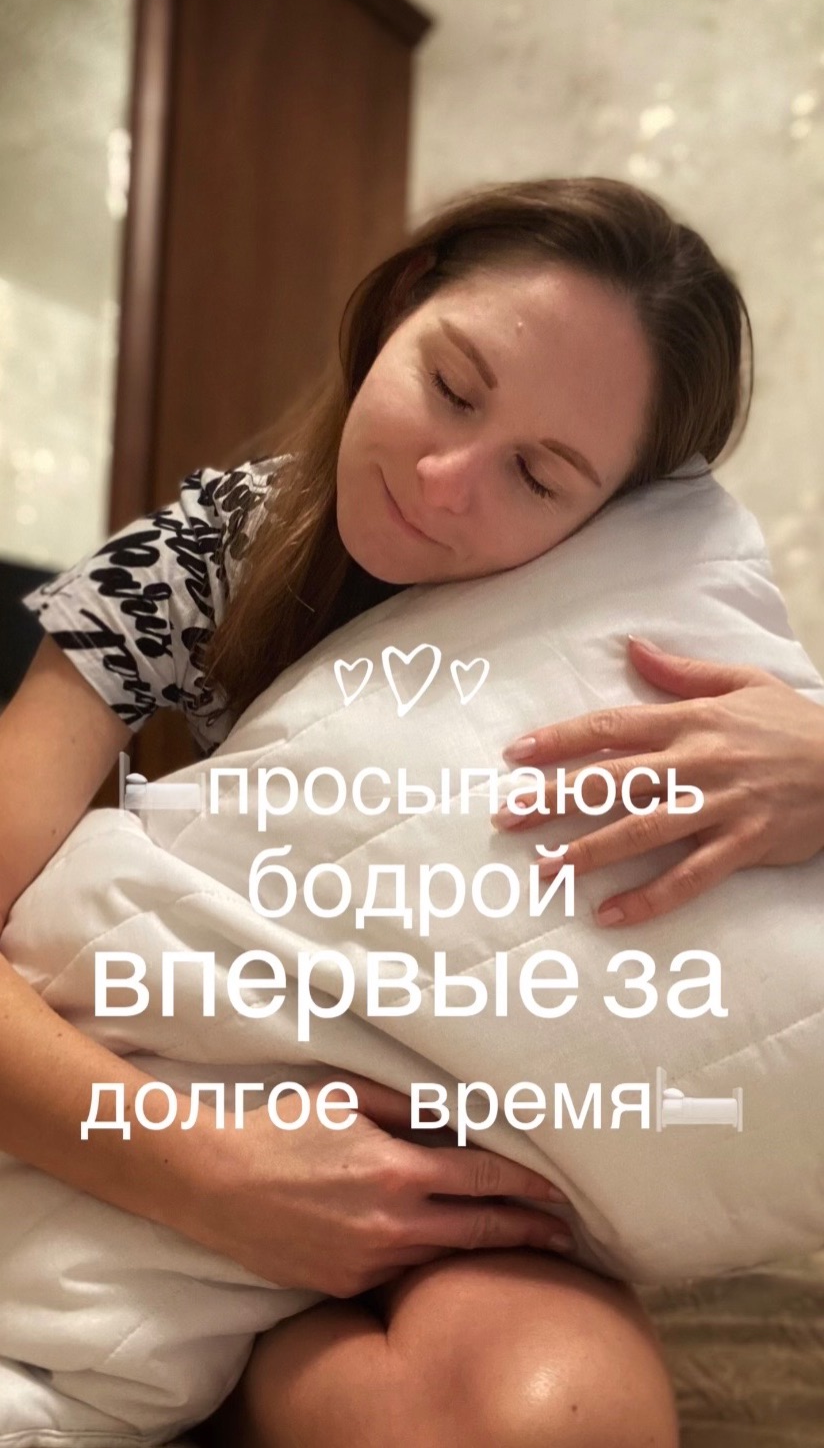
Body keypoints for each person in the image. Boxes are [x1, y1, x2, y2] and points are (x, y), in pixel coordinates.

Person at [2, 174, 823, 1448]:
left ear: (616, 513)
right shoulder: (193, 562)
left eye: (537, 476)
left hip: (457, 1194)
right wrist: (217, 1173)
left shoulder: (629, 627)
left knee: (559, 1413)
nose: (444, 481)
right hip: (179, 1144)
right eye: (449, 385)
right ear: (398, 302)